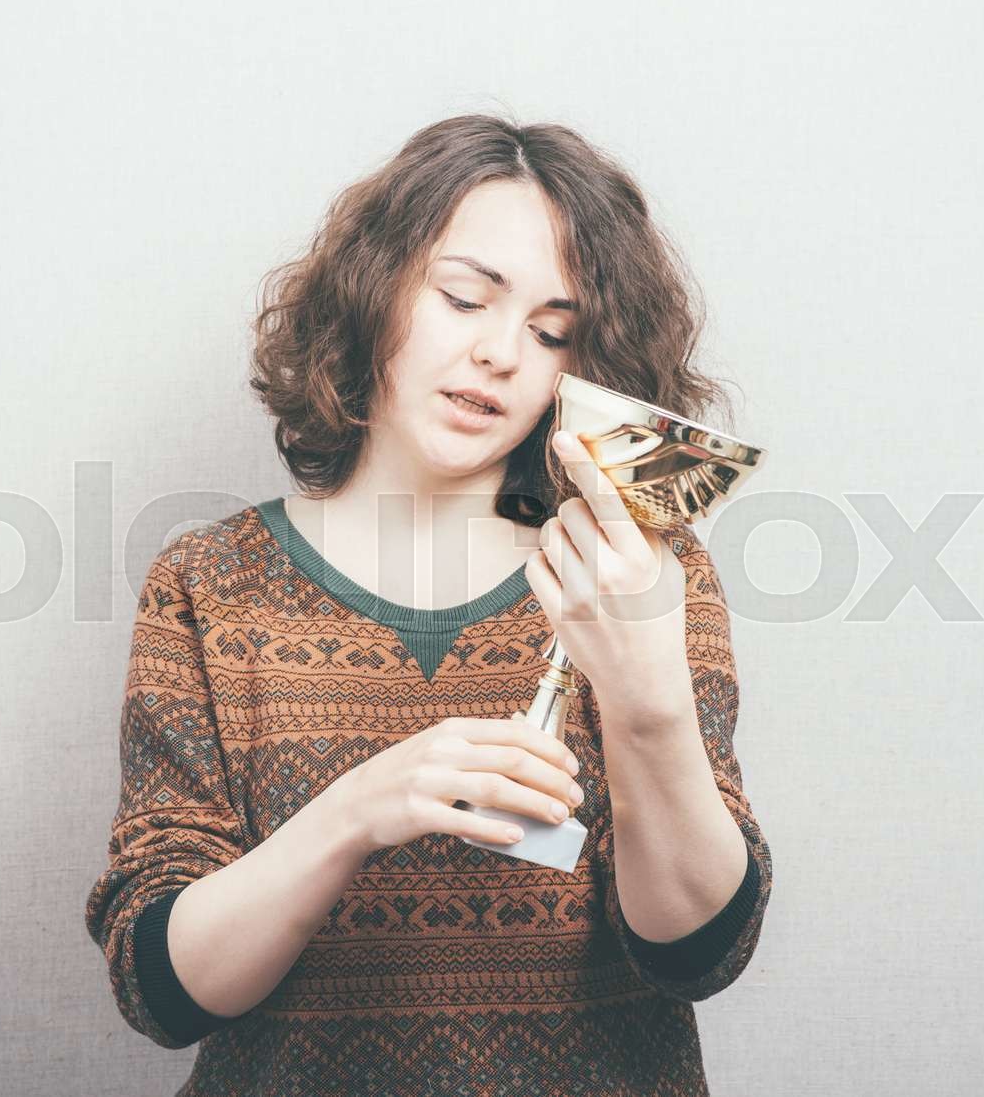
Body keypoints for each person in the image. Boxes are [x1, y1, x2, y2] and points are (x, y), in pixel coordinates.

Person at [84, 113, 772, 1096]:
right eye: (464, 298)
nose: (501, 352)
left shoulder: (641, 571)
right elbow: (160, 989)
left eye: (550, 332)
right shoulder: (209, 581)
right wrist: (357, 811)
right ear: (375, 292)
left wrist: (649, 697)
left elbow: (700, 953)